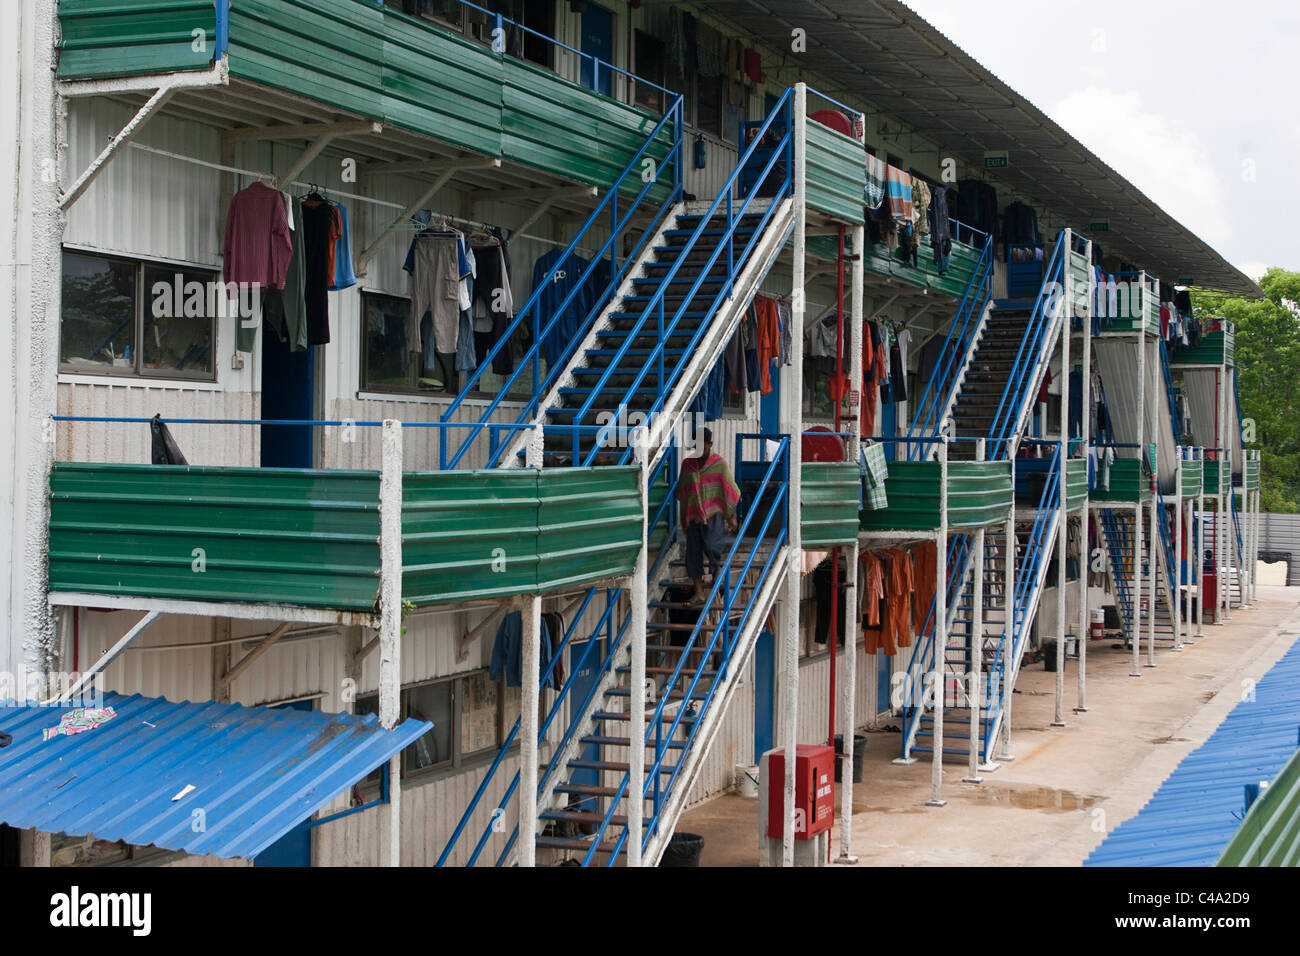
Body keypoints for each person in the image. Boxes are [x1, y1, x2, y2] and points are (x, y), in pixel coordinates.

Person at [677, 428, 741, 604]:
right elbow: (682, 489)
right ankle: (699, 593)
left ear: (710, 444)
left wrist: (732, 516)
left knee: (712, 545)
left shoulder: (720, 464)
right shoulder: (687, 464)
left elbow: (730, 490)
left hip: (713, 514)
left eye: (702, 447)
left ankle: (717, 569)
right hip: (693, 516)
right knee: (693, 554)